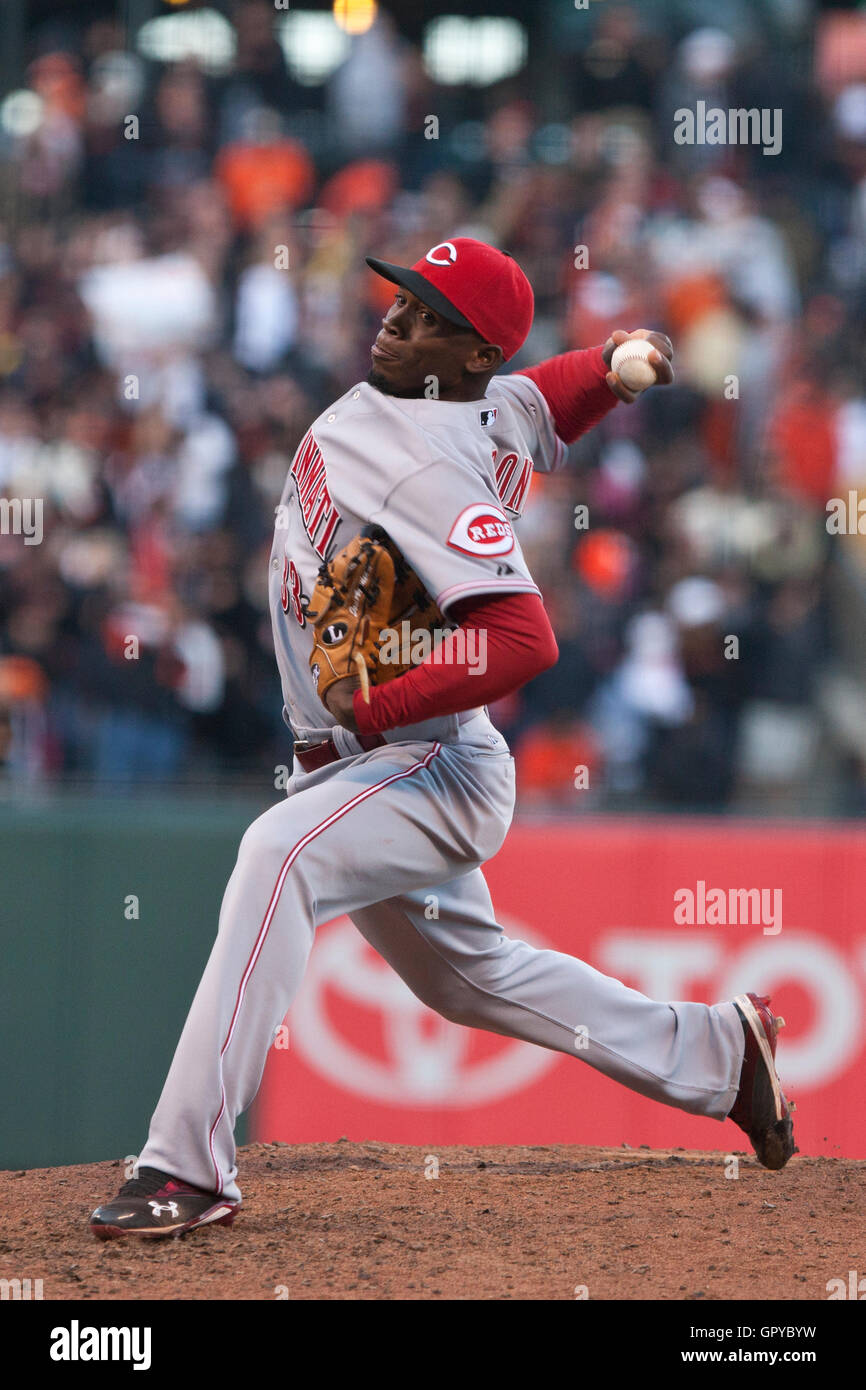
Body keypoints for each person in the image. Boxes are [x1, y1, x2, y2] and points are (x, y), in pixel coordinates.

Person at [89, 238, 795, 1238]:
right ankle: (721, 1053)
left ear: (467, 354)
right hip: (371, 762)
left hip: (421, 758)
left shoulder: (427, 461)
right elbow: (540, 402)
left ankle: (186, 1167)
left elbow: (522, 636)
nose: (397, 316)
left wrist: (379, 706)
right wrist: (612, 368)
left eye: (427, 314)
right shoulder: (474, 402)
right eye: (402, 296)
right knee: (472, 976)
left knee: (274, 856)